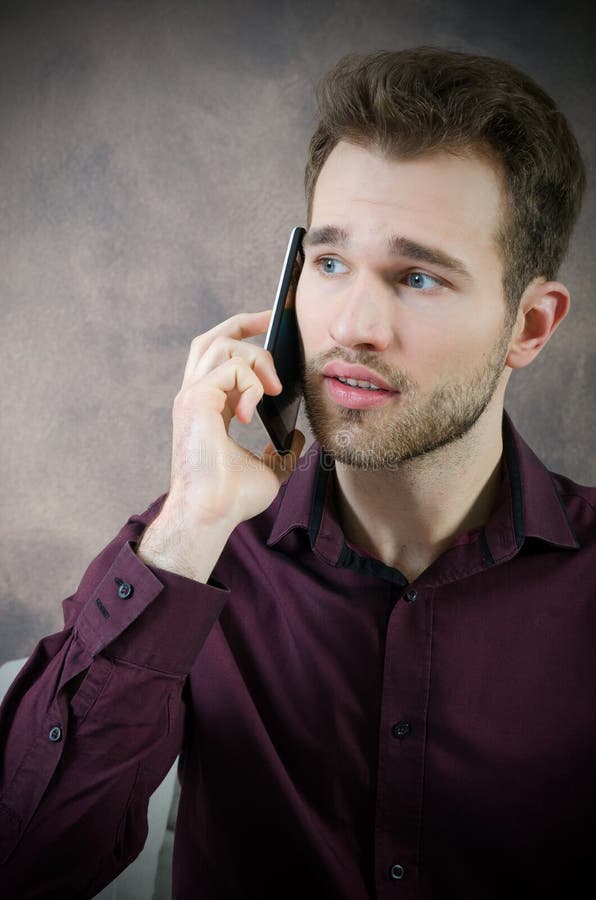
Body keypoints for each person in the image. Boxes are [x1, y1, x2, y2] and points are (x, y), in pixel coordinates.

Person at [0, 47, 594, 900]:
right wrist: (188, 531)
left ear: (530, 327)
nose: (353, 325)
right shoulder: (201, 556)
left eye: (418, 276)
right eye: (329, 262)